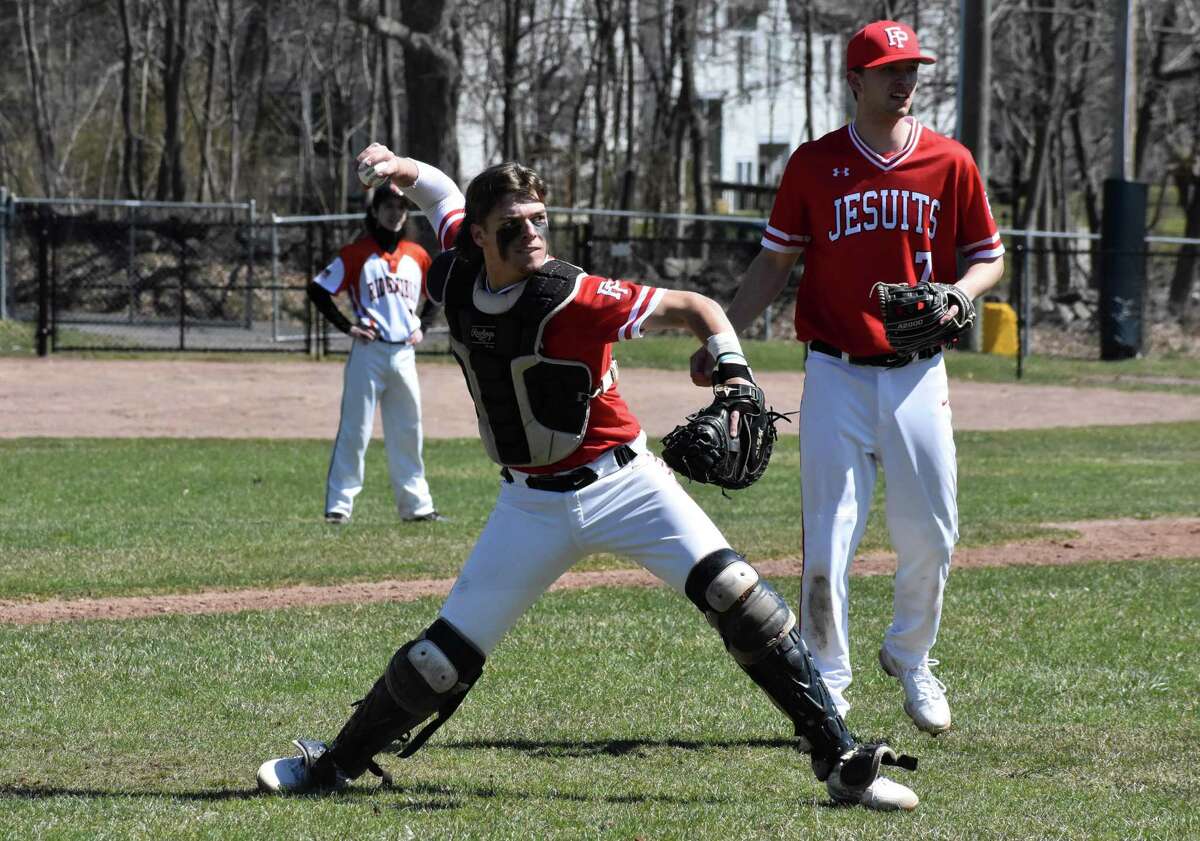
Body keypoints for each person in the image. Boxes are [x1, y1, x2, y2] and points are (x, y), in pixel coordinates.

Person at [257, 146, 921, 811]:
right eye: (513, 224)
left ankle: (840, 758)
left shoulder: (572, 293)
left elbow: (697, 306)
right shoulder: (455, 273)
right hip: (530, 505)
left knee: (738, 594)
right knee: (439, 661)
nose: (533, 233)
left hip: (627, 482)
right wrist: (403, 167)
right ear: (481, 236)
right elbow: (439, 197)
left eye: (540, 217)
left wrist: (736, 376)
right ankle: (332, 765)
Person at [692, 20, 1005, 736]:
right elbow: (774, 262)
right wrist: (725, 335)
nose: (904, 81)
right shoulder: (814, 164)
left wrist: (962, 292)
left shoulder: (949, 161)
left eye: (912, 69)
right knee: (829, 541)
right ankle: (828, 679)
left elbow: (989, 256)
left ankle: (910, 654)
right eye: (889, 69)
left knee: (932, 532)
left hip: (919, 373)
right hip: (834, 370)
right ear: (854, 80)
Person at [307, 183, 447, 525]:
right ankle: (339, 507)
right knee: (355, 431)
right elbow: (318, 289)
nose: (395, 213)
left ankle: (416, 507)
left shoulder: (417, 254)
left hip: (404, 354)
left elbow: (439, 292)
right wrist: (347, 327)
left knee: (408, 430)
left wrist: (424, 326)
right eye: (388, 207)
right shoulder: (357, 253)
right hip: (368, 352)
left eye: (401, 208)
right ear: (375, 211)